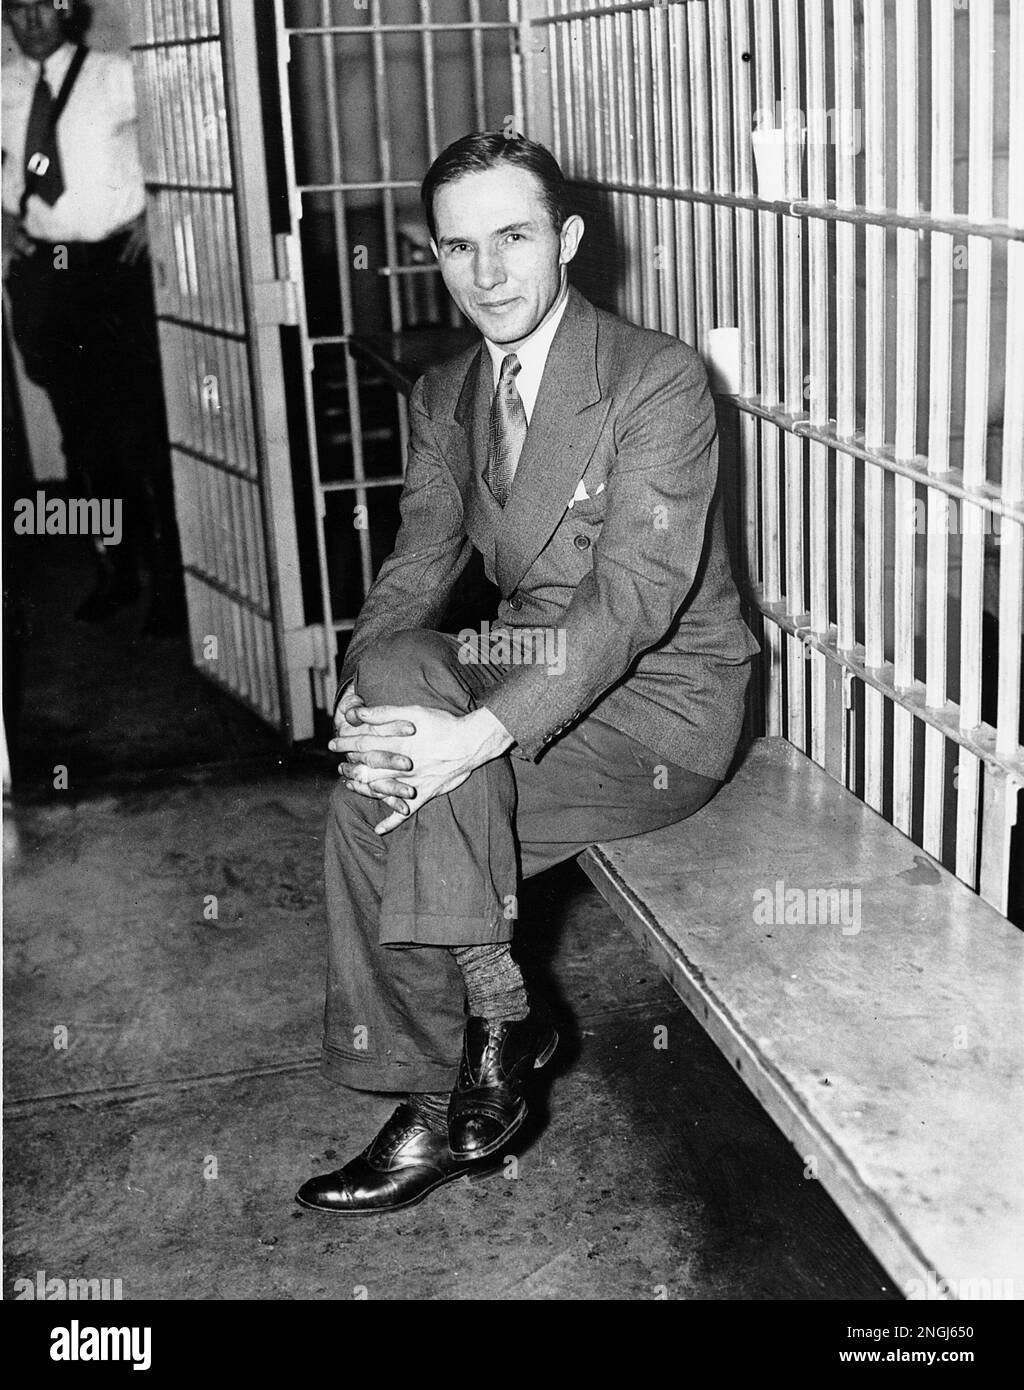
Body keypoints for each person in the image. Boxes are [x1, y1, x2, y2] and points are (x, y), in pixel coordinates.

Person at [296, 132, 760, 1215]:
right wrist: (362, 689)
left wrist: (476, 735)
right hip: (519, 666)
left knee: (375, 812)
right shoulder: (447, 392)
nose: (487, 273)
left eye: (512, 238)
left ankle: (454, 1068)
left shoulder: (657, 380)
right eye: (459, 248)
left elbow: (630, 603)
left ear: (567, 238)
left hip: (657, 702)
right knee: (400, 681)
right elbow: (415, 571)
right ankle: (495, 1022)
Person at [2, 0, 184, 633]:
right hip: (44, 276)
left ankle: (171, 584)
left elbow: (193, 129)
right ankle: (115, 570)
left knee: (140, 430)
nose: (29, 22)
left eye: (41, 7)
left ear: (68, 12)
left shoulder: (114, 74)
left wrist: (158, 211)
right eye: (14, 9)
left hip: (113, 272)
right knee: (80, 439)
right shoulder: (2, 87)